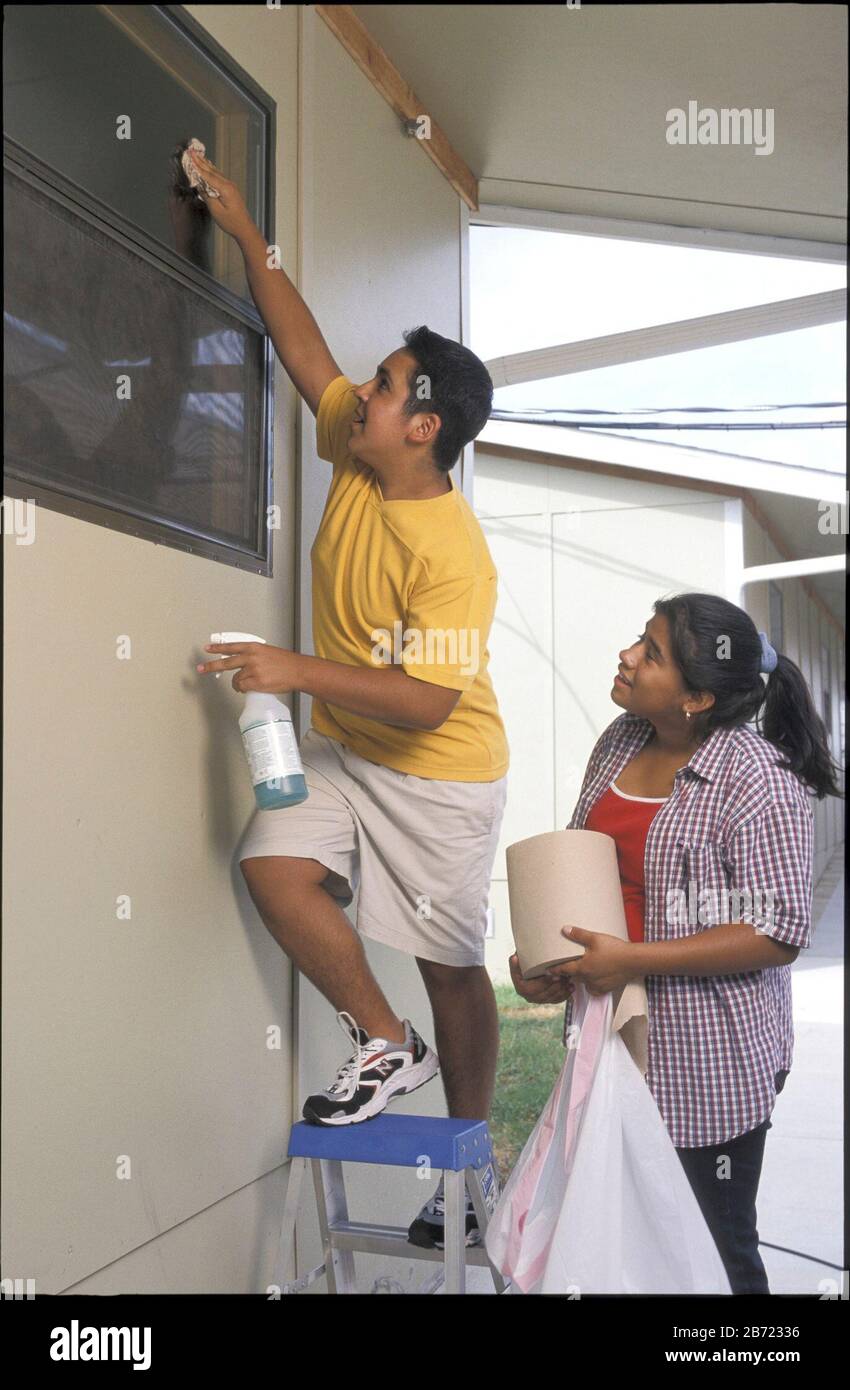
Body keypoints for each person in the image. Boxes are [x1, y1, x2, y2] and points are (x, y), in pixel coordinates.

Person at [190, 148, 508, 1250]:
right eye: (371, 383)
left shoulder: (455, 553)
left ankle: (468, 1176)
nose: (359, 394)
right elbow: (301, 344)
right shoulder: (356, 447)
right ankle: (384, 1042)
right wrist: (245, 233)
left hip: (438, 770)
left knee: (449, 965)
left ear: (422, 423)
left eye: (382, 387)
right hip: (352, 748)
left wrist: (293, 670)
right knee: (273, 866)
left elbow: (425, 700)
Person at [509, 592, 842, 1294]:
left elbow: (777, 930)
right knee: (626, 1234)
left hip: (706, 1058)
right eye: (640, 638)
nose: (627, 655)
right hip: (610, 1033)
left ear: (694, 697)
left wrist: (630, 959)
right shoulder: (620, 741)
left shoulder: (758, 780)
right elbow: (587, 866)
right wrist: (544, 962)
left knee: (714, 1249)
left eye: (650, 652)